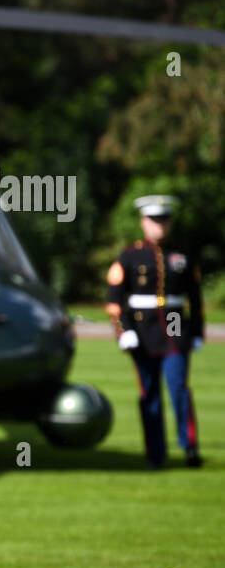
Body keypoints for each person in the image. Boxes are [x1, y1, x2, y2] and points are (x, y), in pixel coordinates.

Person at [105, 195, 204, 468]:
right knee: (149, 394)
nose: (158, 226)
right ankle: (155, 454)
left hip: (174, 324)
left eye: (163, 221)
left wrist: (196, 333)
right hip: (143, 328)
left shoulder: (181, 255)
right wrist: (123, 331)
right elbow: (114, 301)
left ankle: (189, 447)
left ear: (169, 223)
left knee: (178, 388)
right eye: (153, 221)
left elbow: (195, 299)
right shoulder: (130, 255)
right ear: (143, 222)